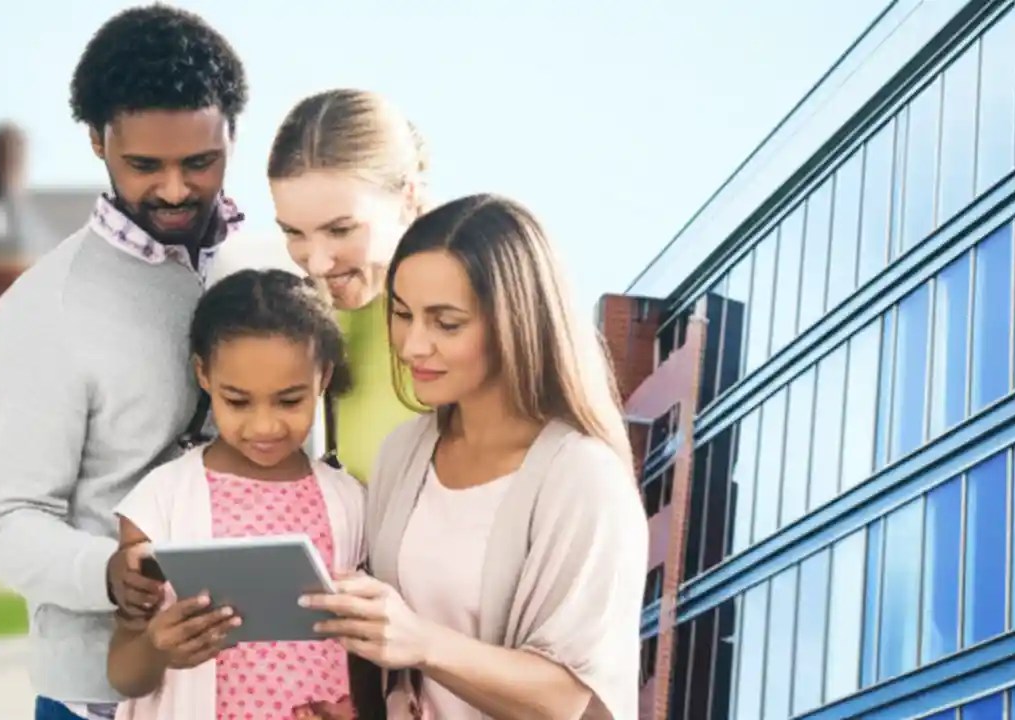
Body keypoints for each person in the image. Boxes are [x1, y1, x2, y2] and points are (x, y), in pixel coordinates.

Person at [0, 6, 248, 719]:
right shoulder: (42, 309)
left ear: (232, 137)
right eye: (143, 165)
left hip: (254, 684)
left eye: (200, 162)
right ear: (96, 142)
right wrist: (105, 572)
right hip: (98, 698)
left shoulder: (268, 266)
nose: (174, 189)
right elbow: (9, 526)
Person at [301, 195, 646, 720]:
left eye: (447, 322)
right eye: (402, 314)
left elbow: (567, 699)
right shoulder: (405, 452)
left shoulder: (583, 477)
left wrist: (421, 643)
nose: (414, 345)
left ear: (515, 323)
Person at [107, 269, 365, 720]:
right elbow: (125, 674)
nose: (264, 426)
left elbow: (365, 653)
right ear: (204, 375)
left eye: (289, 401)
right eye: (238, 401)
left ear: (322, 376)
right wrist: (156, 647)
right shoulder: (160, 501)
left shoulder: (351, 502)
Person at [267, 89, 428, 483]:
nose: (318, 264)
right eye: (294, 233)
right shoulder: (312, 319)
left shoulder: (489, 310)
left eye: (341, 230)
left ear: (408, 198)